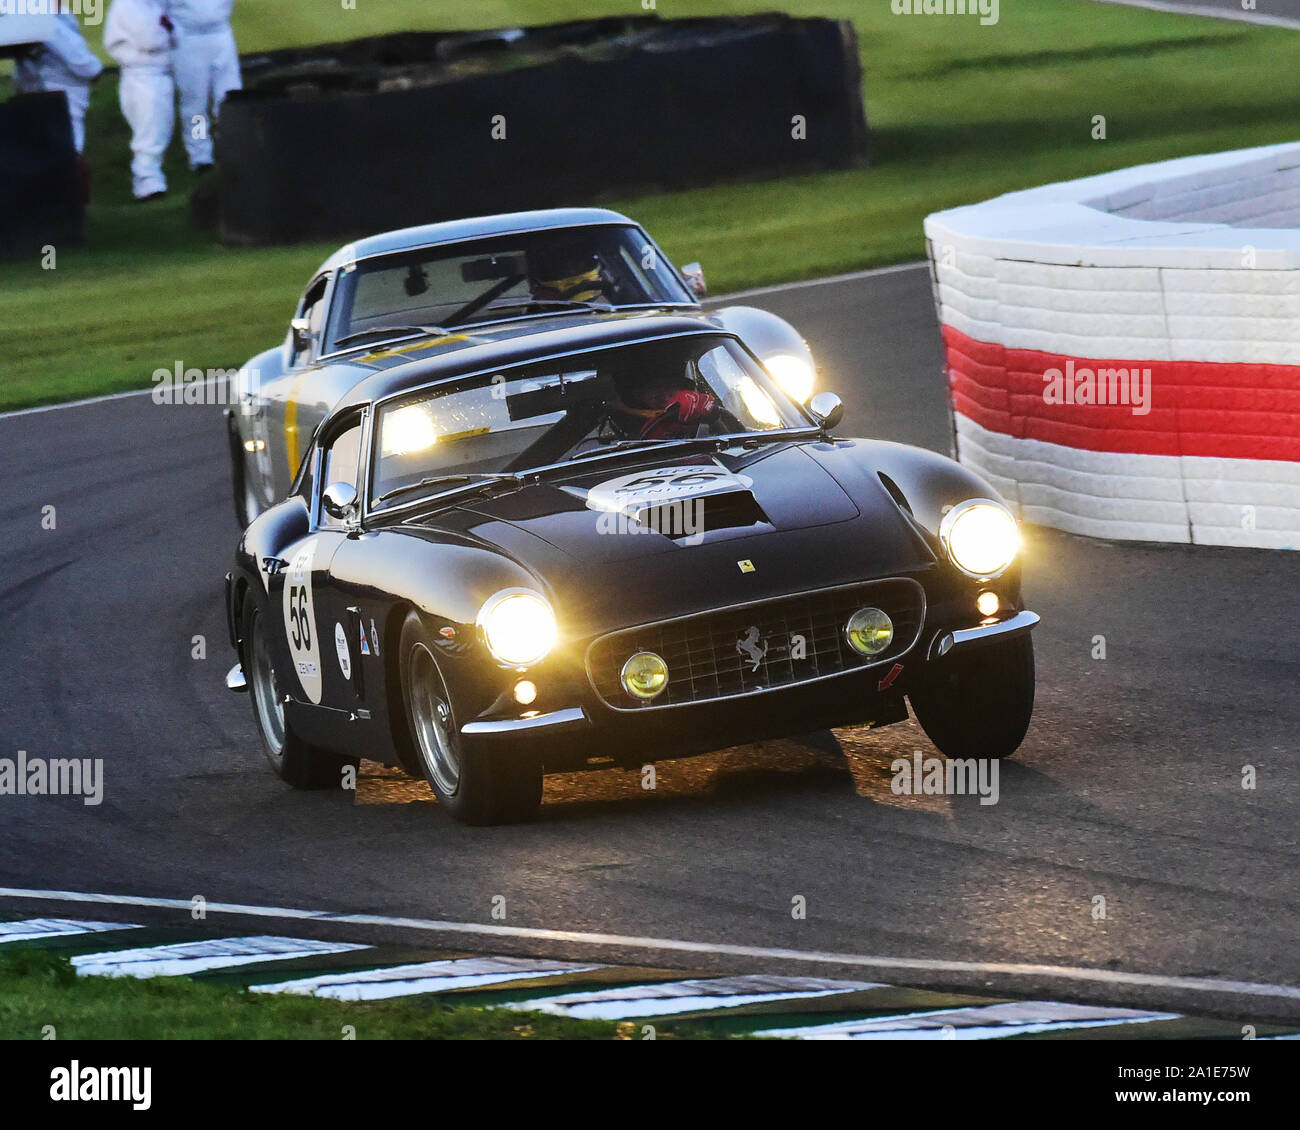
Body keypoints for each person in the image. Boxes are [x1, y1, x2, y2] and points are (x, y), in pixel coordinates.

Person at [104, 0, 175, 200]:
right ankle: (148, 184)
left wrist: (168, 30)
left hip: (155, 73)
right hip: (142, 76)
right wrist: (168, 30)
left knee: (159, 128)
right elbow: (151, 39)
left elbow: (170, 31)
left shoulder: (149, 3)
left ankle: (151, 180)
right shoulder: (128, 5)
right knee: (150, 132)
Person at [10, 6, 104, 153]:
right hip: (62, 91)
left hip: (41, 90)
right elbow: (80, 60)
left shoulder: (34, 16)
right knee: (69, 149)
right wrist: (96, 70)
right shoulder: (44, 19)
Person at [167, 0, 240, 172]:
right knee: (195, 104)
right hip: (188, 39)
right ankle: (200, 156)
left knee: (230, 97)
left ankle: (232, 147)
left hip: (221, 34)